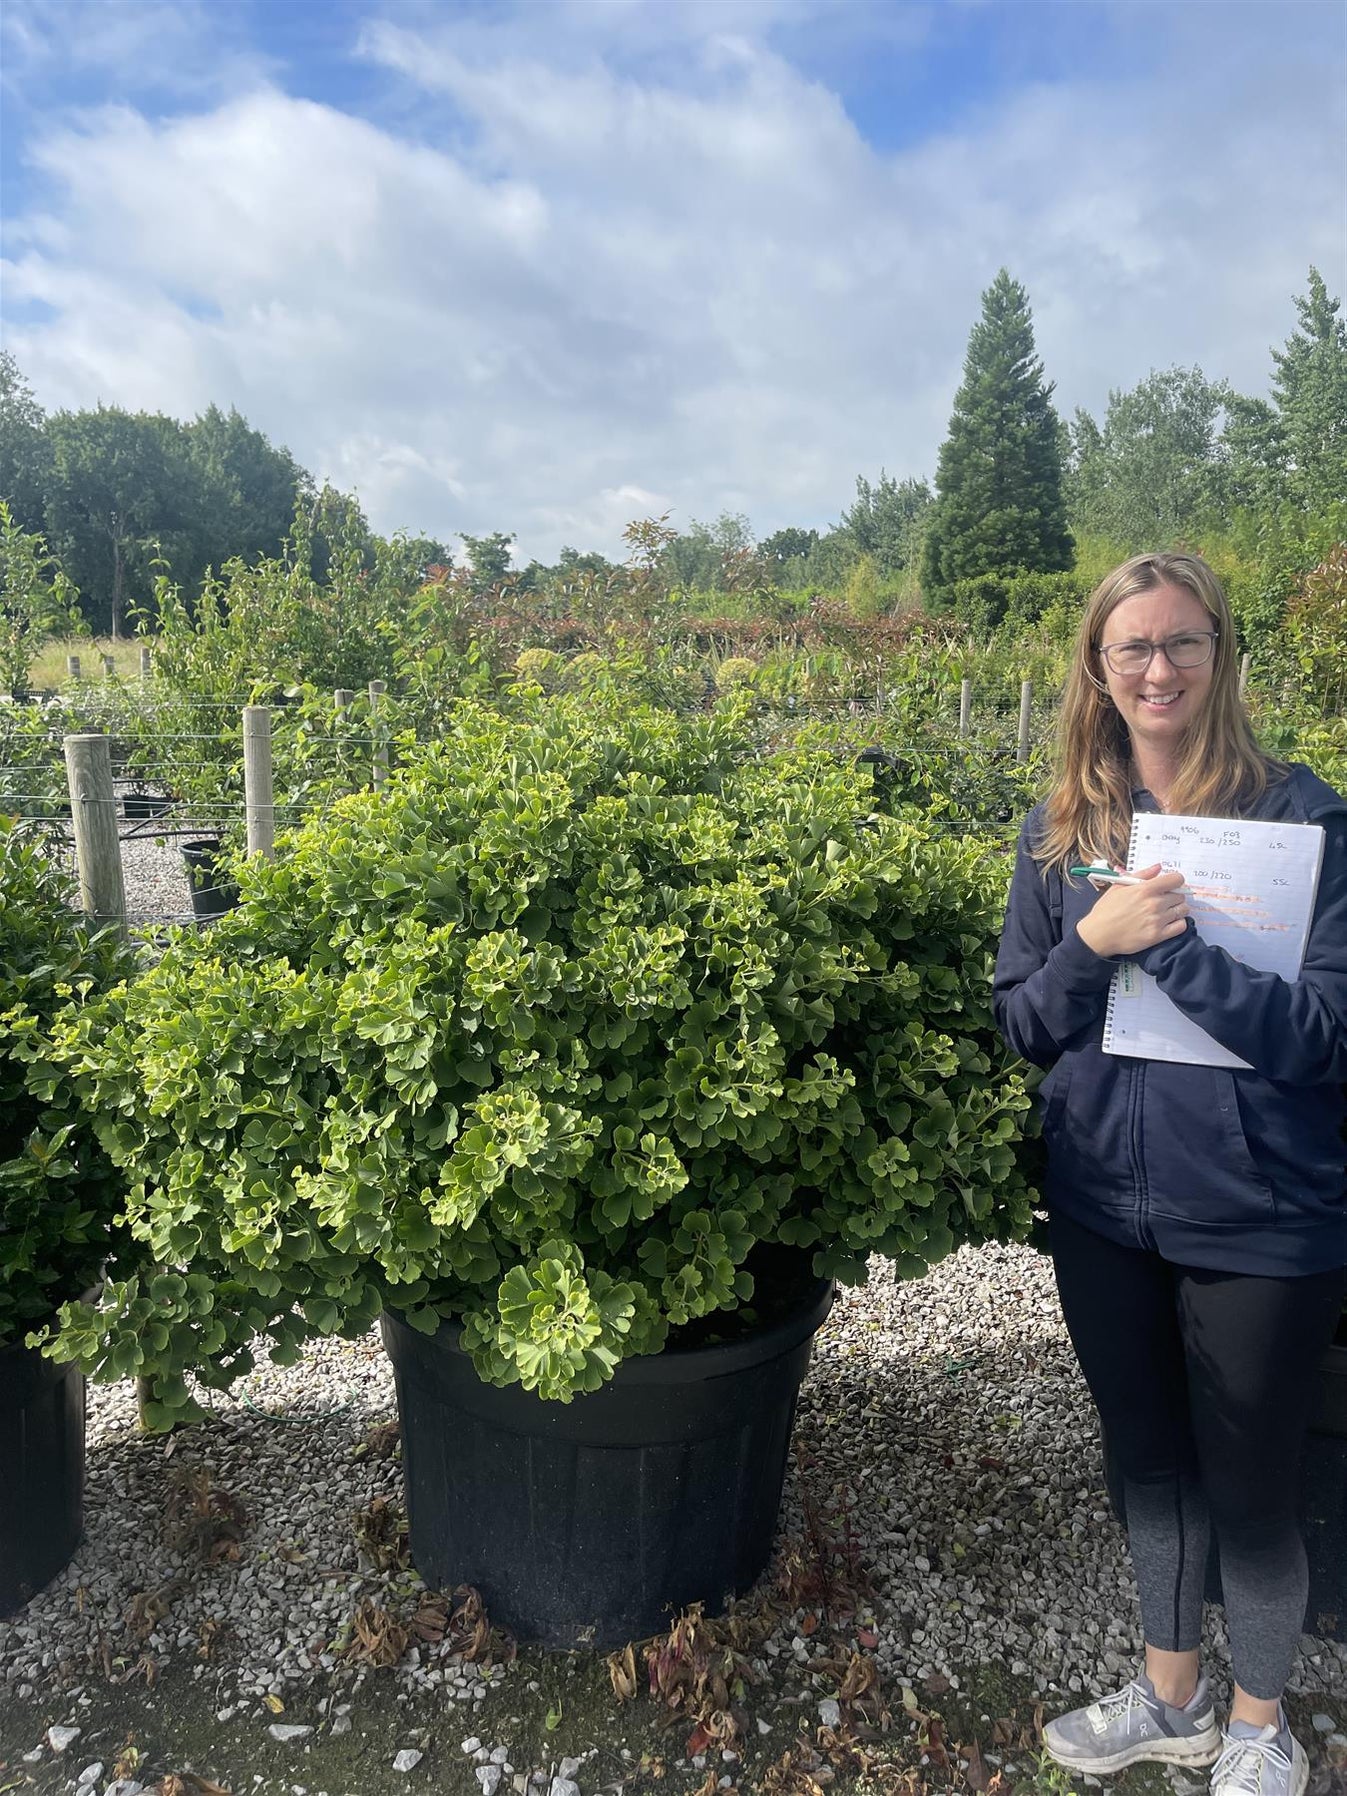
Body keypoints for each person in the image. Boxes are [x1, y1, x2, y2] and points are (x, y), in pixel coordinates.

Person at [992, 551, 1347, 1796]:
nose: (1158, 668)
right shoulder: (1061, 834)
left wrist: (1177, 951)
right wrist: (1093, 942)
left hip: (1259, 1213)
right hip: (1101, 1204)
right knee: (1146, 1459)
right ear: (1097, 666)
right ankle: (1172, 1697)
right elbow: (1024, 1023)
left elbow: (1324, 1040)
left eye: (1183, 642)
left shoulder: (1304, 820)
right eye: (1132, 646)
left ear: (1221, 655)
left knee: (1252, 1482)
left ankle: (1262, 1725)